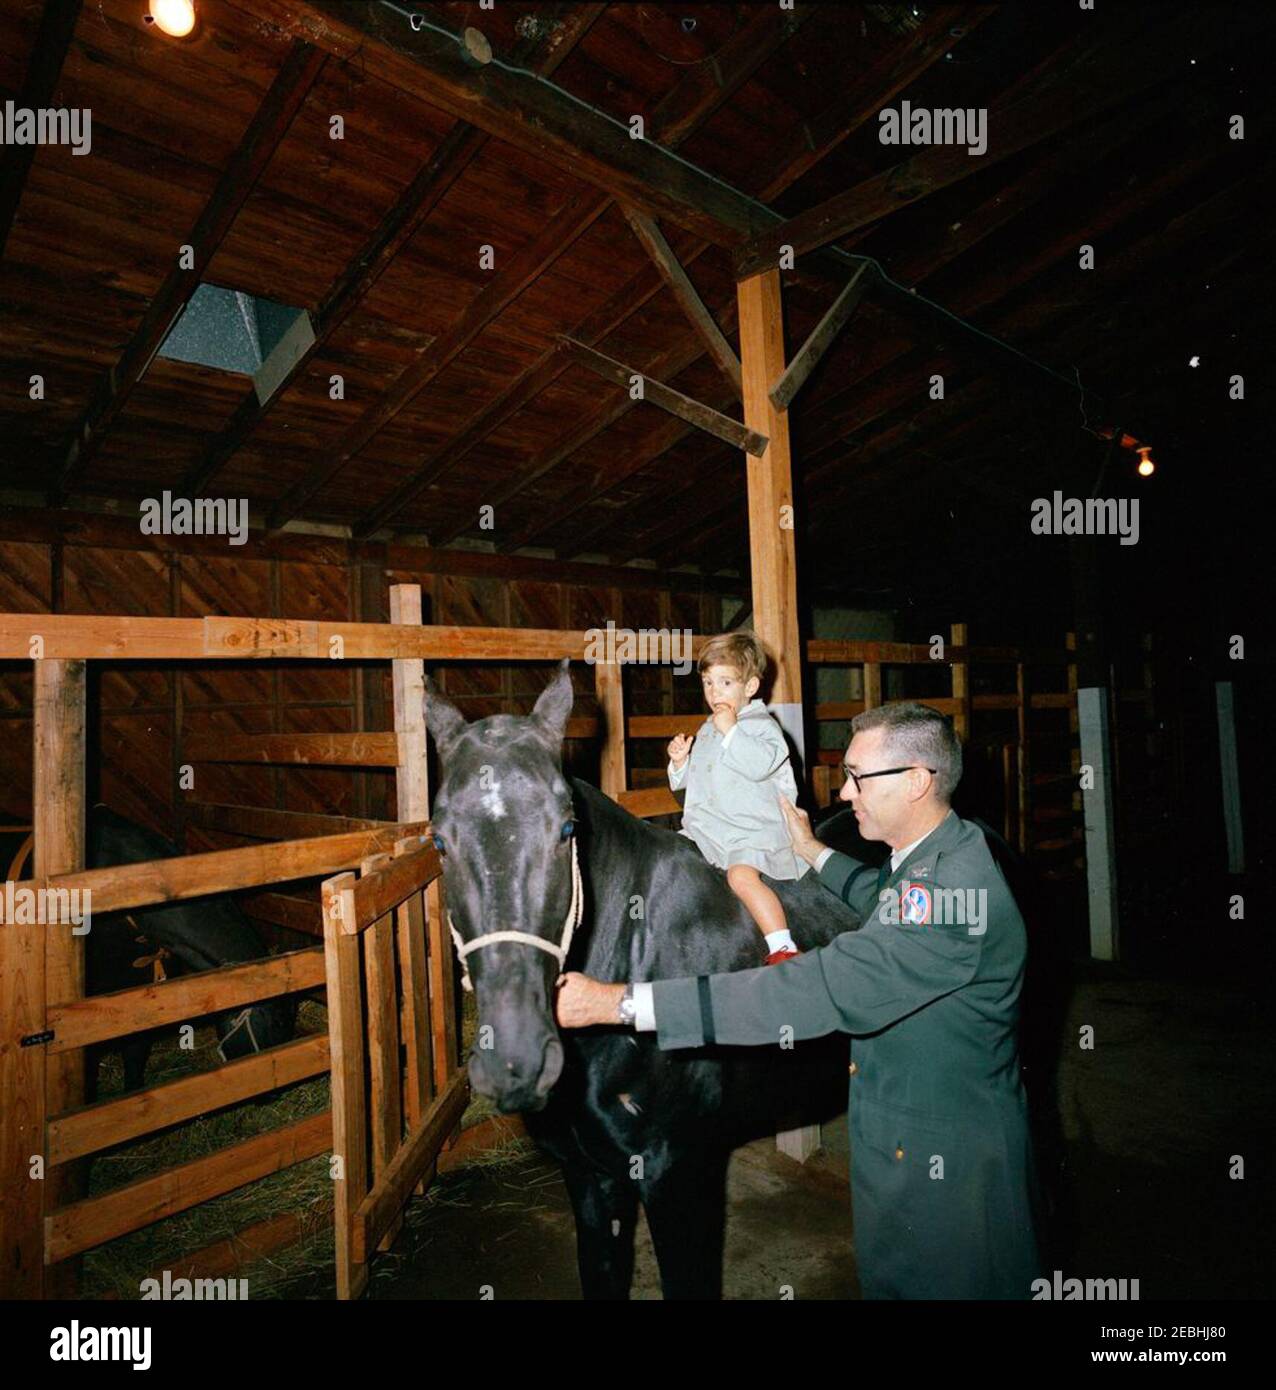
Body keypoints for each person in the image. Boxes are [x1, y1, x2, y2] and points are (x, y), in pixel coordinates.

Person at [557, 700, 1042, 1299]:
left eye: (859, 777)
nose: (844, 792)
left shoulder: (948, 901)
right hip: (903, 1136)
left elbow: (810, 989)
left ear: (917, 781)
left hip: (946, 1162)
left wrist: (621, 1004)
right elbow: (879, 893)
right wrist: (812, 851)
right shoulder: (943, 852)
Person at [666, 632, 806, 964]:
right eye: (708, 683)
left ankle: (782, 946)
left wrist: (732, 730)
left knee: (740, 877)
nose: (714, 692)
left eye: (725, 682)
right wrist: (681, 763)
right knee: (671, 857)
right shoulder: (708, 728)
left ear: (751, 687)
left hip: (752, 831)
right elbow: (690, 787)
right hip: (710, 828)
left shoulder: (761, 727)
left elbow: (758, 765)